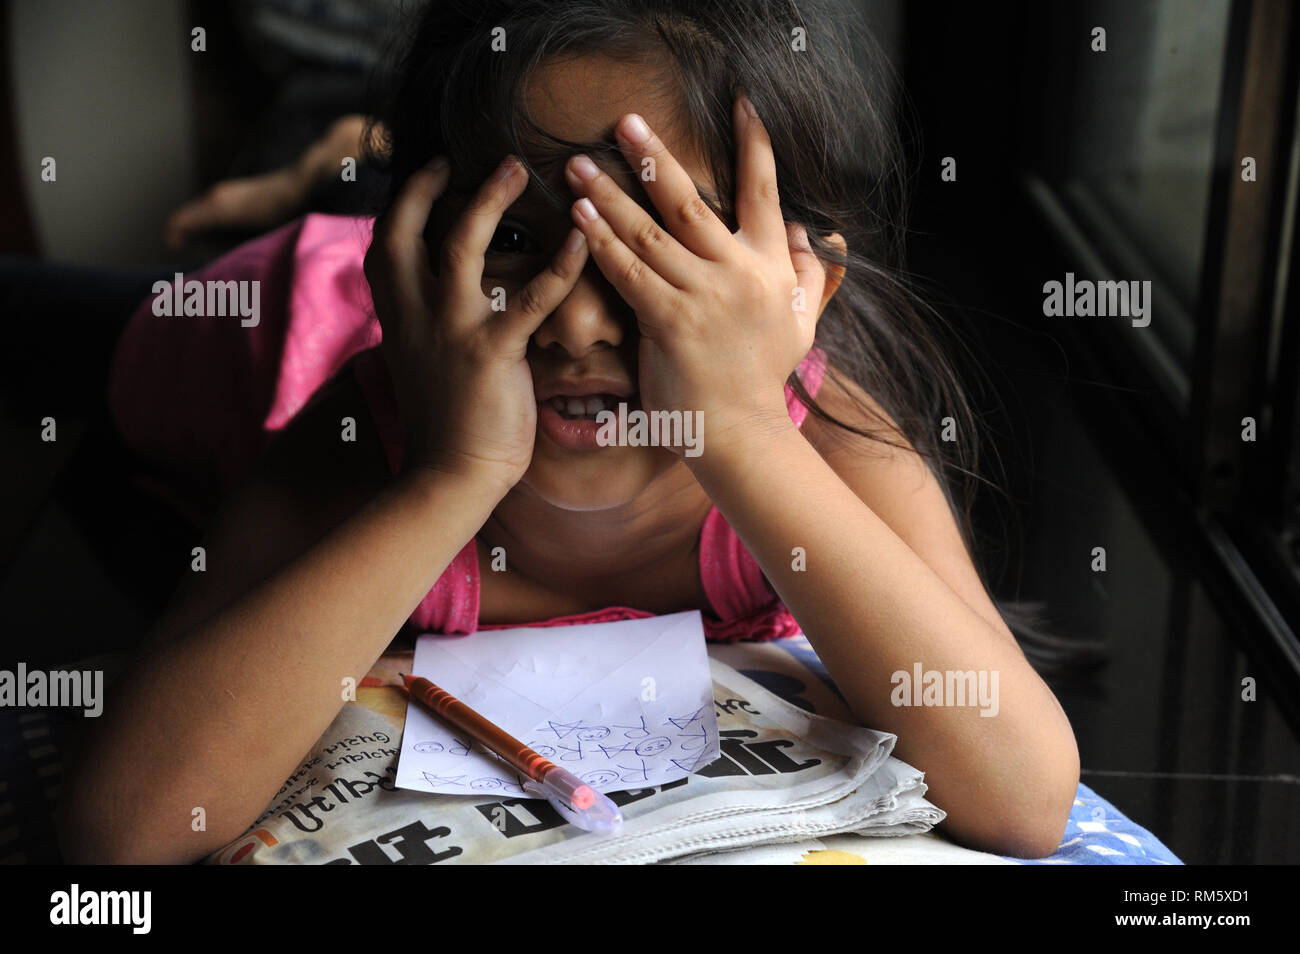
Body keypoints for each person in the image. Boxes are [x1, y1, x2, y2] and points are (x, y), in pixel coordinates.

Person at [57, 0, 1079, 864]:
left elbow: (1022, 798)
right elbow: (127, 830)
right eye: (511, 238)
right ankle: (317, 178)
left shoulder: (821, 429)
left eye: (659, 243)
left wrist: (740, 436)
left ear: (798, 290)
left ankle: (335, 156)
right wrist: (453, 476)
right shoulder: (369, 430)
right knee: (75, 336)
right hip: (278, 316)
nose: (580, 323)